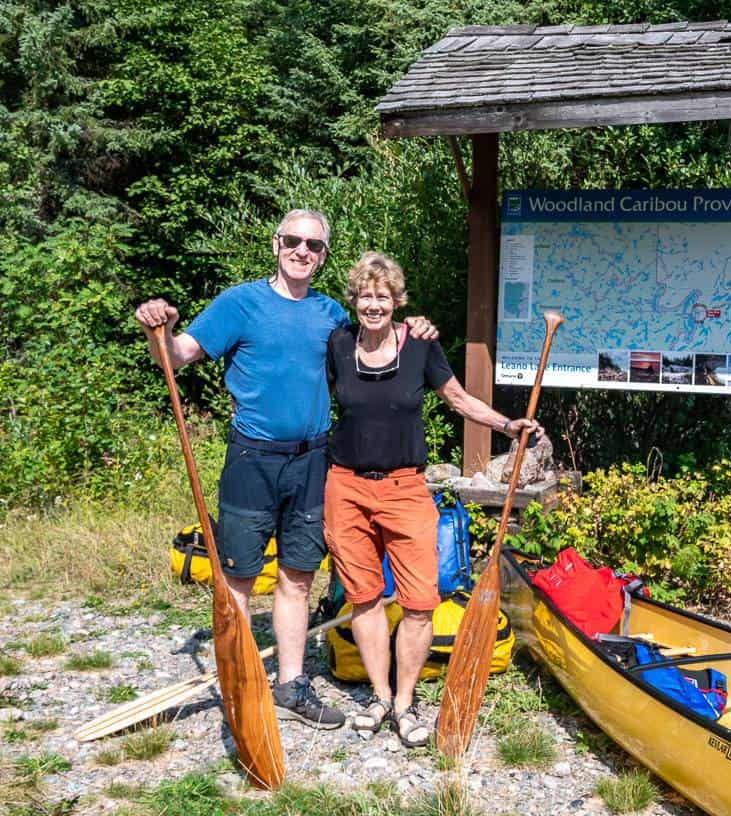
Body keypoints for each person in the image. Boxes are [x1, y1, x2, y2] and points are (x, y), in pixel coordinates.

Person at [134, 210, 438, 729]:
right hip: (253, 458)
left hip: (315, 460)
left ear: (323, 256)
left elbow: (377, 338)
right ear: (276, 243)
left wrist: (416, 327)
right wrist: (157, 327)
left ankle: (290, 685)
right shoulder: (239, 303)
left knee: (297, 577)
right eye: (294, 240)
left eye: (314, 245)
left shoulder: (329, 316)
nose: (302, 250)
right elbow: (178, 355)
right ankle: (236, 679)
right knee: (238, 576)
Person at [324, 251, 541, 746]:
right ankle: (379, 696)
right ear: (354, 300)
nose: (373, 305)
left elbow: (459, 399)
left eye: (383, 297)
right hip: (346, 487)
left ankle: (405, 704)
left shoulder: (420, 345)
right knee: (363, 597)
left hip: (405, 489)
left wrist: (509, 425)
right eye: (365, 296)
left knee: (420, 603)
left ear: (397, 302)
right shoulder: (338, 344)